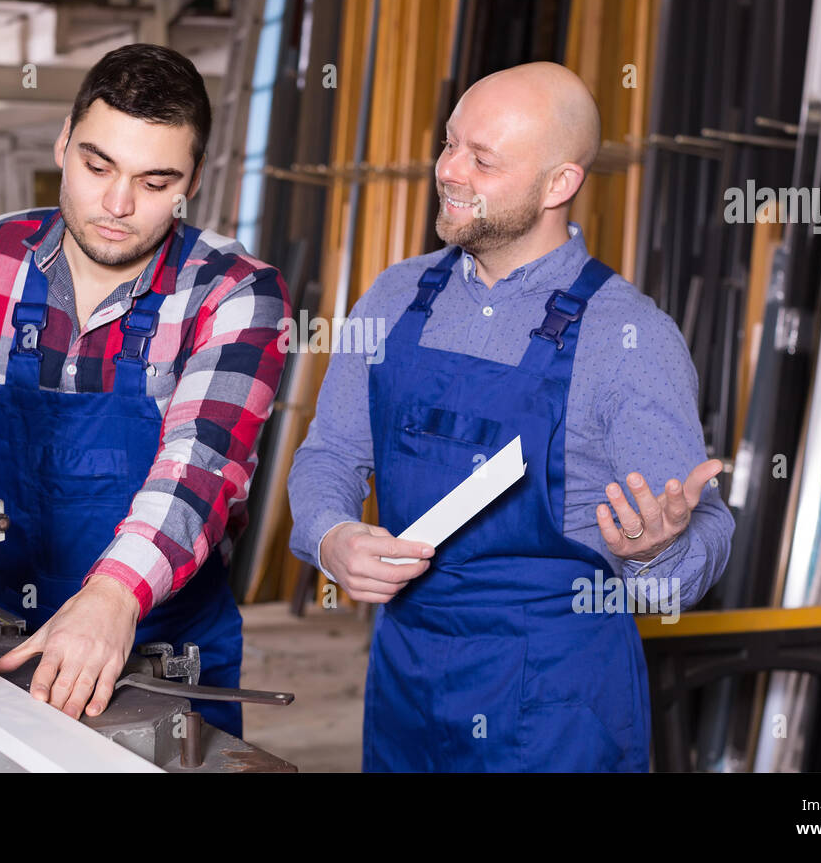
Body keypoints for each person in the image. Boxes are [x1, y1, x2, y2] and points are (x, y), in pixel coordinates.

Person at [287, 62, 734, 771]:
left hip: (556, 710)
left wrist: (655, 550)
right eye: (450, 143)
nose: (450, 170)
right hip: (407, 685)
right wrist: (329, 534)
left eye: (483, 159)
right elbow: (330, 454)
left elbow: (693, 552)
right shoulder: (395, 296)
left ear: (559, 184)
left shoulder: (629, 337)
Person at [0, 44, 290, 736]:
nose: (117, 205)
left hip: (165, 653)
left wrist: (114, 595)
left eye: (155, 181)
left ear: (194, 180)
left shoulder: (233, 293)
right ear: (63, 142)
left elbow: (201, 463)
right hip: (1, 639)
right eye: (97, 165)